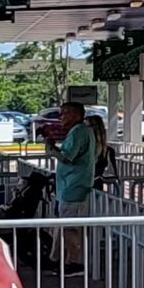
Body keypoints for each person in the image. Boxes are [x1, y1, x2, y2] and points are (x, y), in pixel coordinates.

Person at [44, 100, 96, 275]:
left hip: (73, 187)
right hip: (69, 186)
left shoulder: (78, 132)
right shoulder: (82, 131)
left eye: (64, 113)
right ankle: (57, 259)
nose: (60, 117)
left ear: (75, 115)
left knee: (69, 227)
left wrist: (51, 147)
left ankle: (74, 262)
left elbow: (67, 157)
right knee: (62, 225)